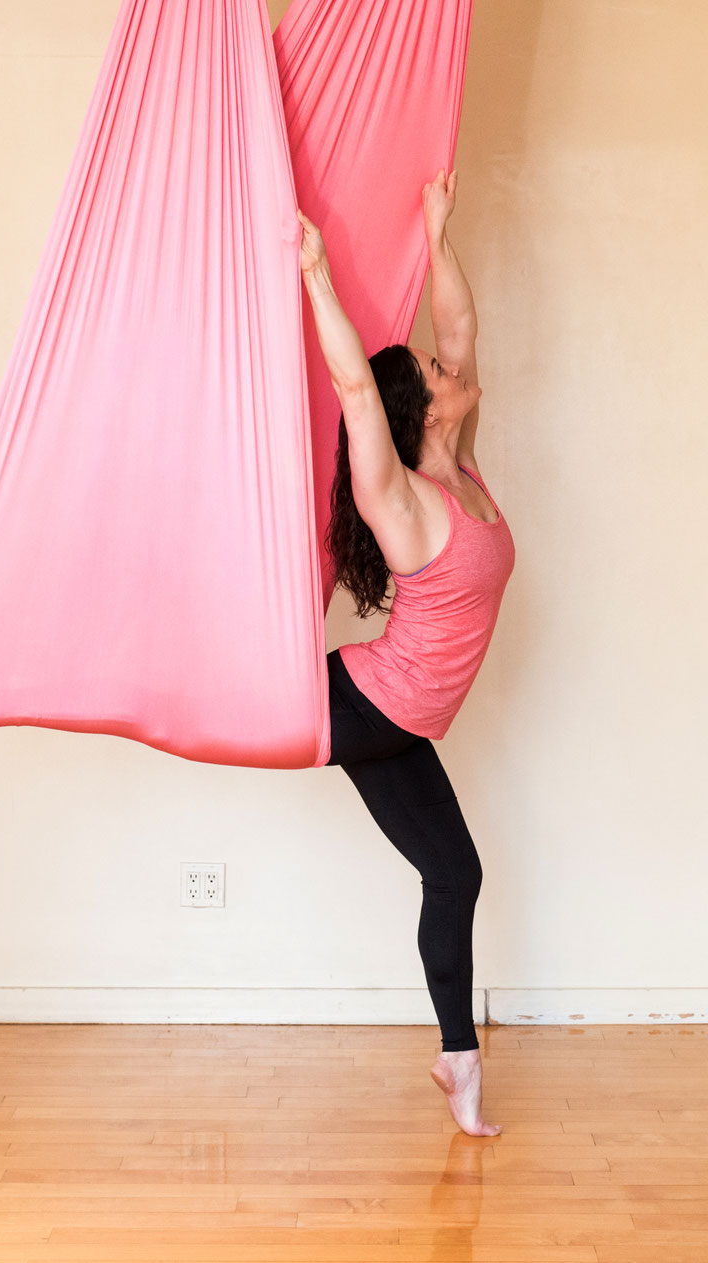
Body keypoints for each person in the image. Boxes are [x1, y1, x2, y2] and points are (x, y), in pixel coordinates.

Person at [298, 168, 514, 1138]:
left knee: (455, 874)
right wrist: (316, 274)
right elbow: (355, 386)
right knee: (201, 720)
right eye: (434, 368)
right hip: (363, 707)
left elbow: (461, 331)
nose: (450, 361)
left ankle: (457, 1060)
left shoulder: (463, 470)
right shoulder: (403, 500)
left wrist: (437, 232)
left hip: (399, 722)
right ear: (419, 408)